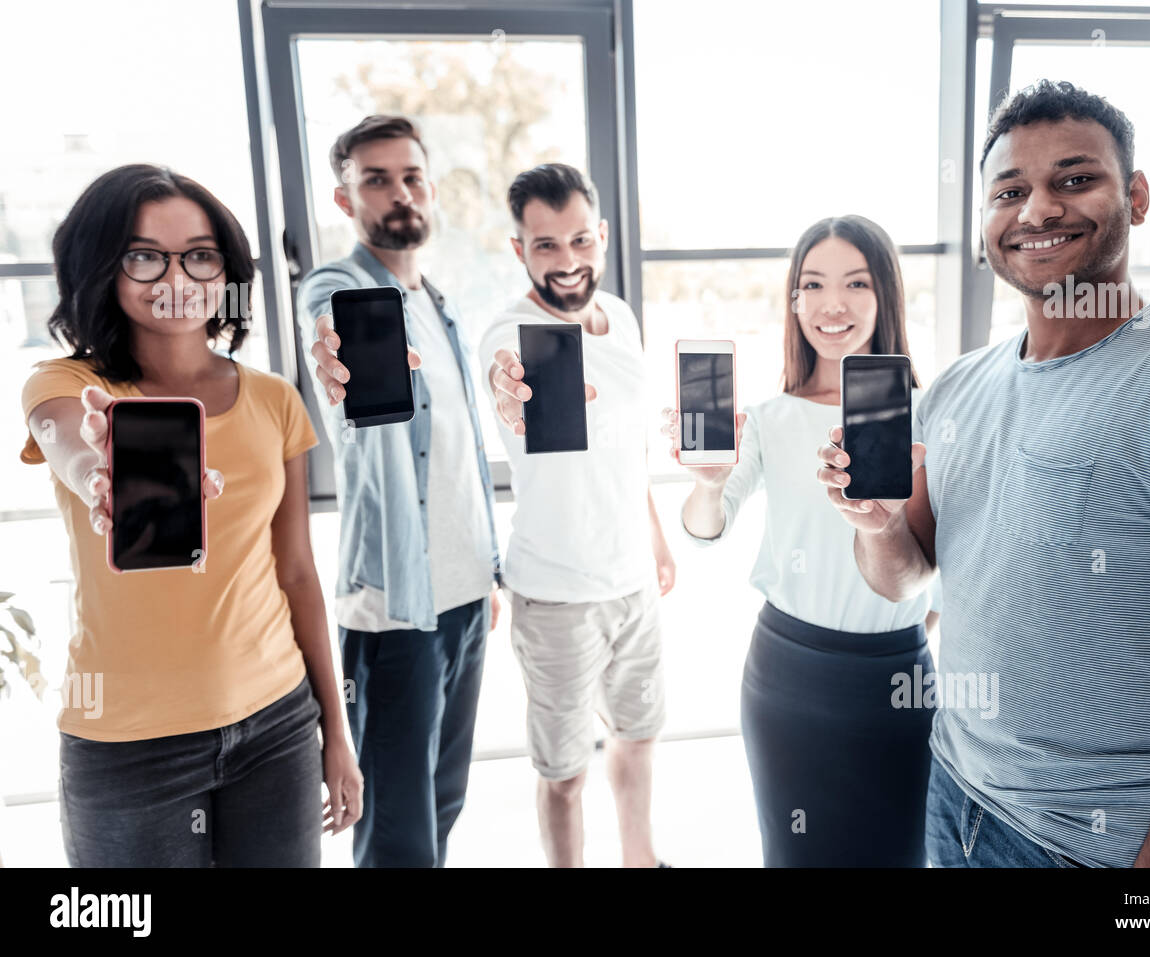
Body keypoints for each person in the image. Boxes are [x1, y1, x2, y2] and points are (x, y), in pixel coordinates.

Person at [818, 80, 1150, 868]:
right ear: (985, 229)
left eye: (1074, 179)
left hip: (1101, 849)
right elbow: (902, 578)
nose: (1038, 209)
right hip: (956, 795)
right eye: (1010, 191)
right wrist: (877, 526)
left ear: (1136, 197)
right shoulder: (957, 388)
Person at [20, 164, 362, 866]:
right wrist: (101, 472)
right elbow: (69, 444)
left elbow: (297, 573)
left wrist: (337, 729)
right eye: (144, 256)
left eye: (200, 255)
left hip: (276, 725)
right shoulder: (66, 386)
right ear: (103, 266)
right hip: (126, 745)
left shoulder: (274, 399)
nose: (177, 279)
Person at [664, 215, 940, 866]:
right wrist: (707, 484)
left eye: (855, 283)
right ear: (794, 302)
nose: (832, 304)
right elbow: (707, 529)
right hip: (790, 678)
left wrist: (918, 617)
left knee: (899, 854)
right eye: (812, 284)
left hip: (896, 676)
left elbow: (934, 563)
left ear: (885, 297)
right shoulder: (769, 417)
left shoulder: (929, 413)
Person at [299, 115, 502, 868]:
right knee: (395, 828)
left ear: (431, 188)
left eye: (411, 176)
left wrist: (485, 575)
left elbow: (458, 457)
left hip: (463, 600)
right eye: (375, 179)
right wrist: (334, 352)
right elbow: (326, 326)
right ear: (344, 199)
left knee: (443, 801)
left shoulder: (439, 304)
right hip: (391, 613)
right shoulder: (339, 287)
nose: (399, 193)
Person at [479, 163, 675, 867]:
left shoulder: (618, 315)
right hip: (556, 594)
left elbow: (627, 446)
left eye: (579, 241)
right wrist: (511, 389)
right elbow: (511, 379)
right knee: (563, 772)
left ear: (602, 235)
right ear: (519, 250)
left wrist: (654, 532)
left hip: (633, 585)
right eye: (546, 246)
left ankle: (641, 860)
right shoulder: (510, 331)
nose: (567, 262)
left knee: (639, 733)